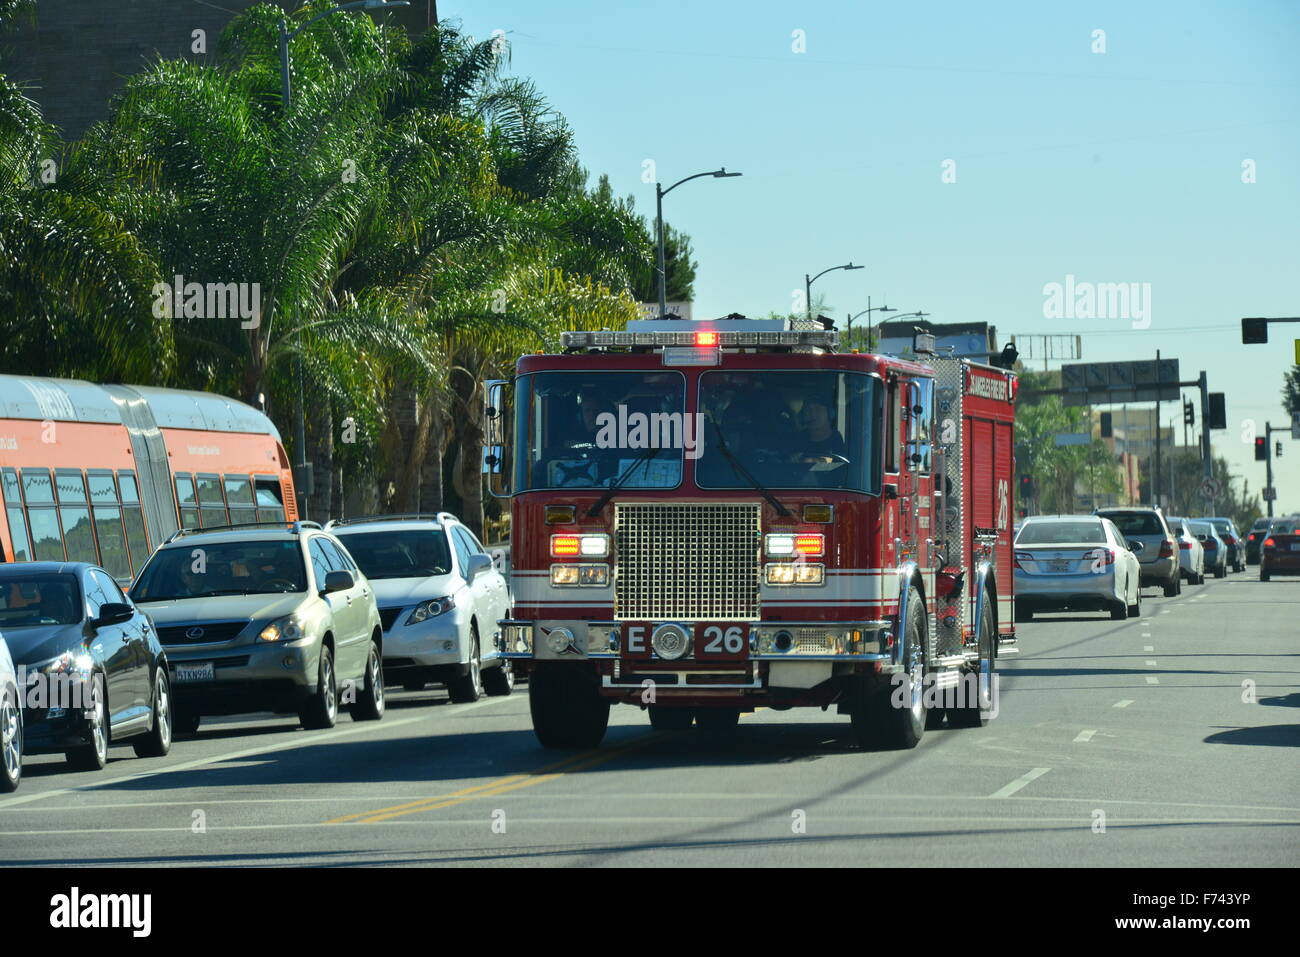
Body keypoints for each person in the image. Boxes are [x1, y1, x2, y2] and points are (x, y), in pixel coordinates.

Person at [791, 398, 847, 462]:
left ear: (829, 413)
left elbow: (841, 465)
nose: (812, 414)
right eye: (808, 410)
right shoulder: (798, 438)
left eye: (818, 409)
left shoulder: (836, 438)